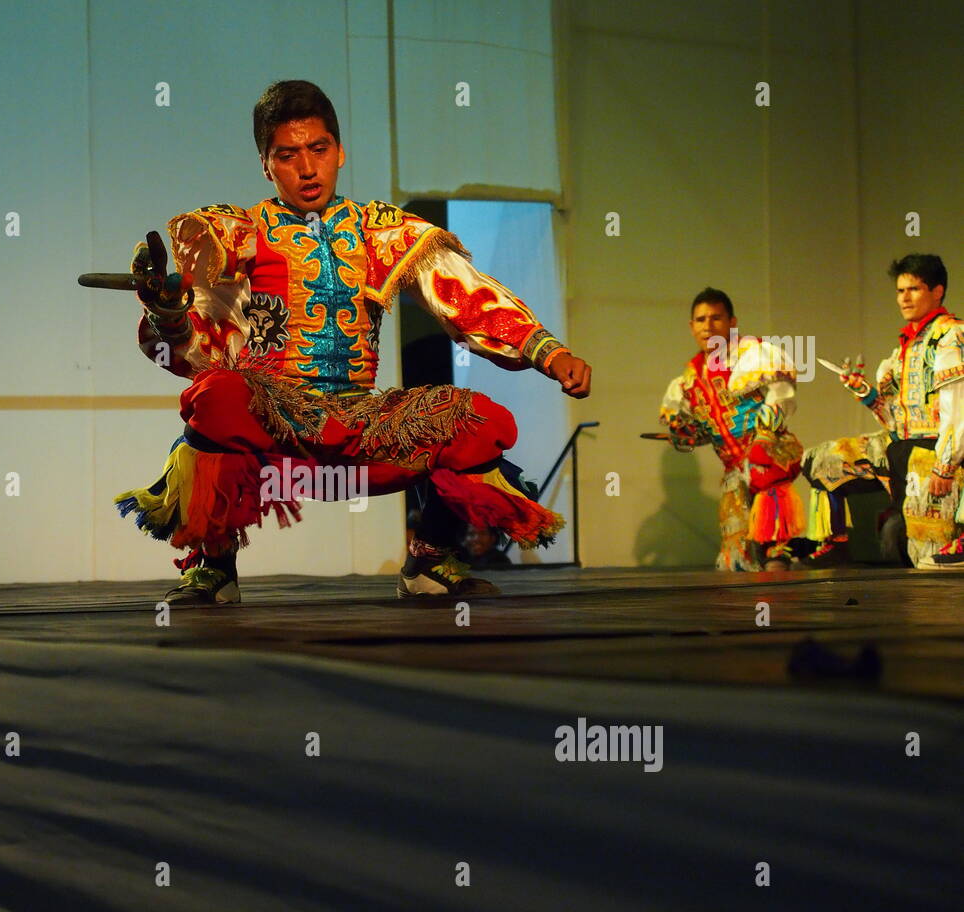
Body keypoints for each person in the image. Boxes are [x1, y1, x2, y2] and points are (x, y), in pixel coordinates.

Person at [115, 80, 592, 603]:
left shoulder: (381, 231)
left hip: (364, 424)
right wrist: (164, 306)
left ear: (339, 151)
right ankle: (214, 566)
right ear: (266, 165)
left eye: (318, 149)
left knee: (477, 421)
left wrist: (548, 352)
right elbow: (195, 349)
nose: (306, 167)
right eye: (287, 155)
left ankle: (428, 564)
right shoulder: (237, 235)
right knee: (217, 397)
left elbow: (467, 296)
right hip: (277, 425)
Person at [800, 254, 964, 569]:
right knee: (820, 460)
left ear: (937, 291)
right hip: (900, 443)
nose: (904, 297)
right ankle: (834, 543)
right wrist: (864, 392)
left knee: (925, 561)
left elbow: (957, 408)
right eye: (900, 290)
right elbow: (893, 417)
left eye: (913, 289)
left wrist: (945, 465)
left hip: (934, 449)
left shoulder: (950, 336)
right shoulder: (904, 348)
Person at [657, 288, 805, 571]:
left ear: (732, 323)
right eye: (701, 320)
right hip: (733, 473)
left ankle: (782, 595)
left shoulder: (754, 355)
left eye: (716, 318)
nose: (708, 326)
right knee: (737, 556)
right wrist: (682, 435)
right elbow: (699, 433)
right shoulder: (687, 382)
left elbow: (782, 395)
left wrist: (763, 440)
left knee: (773, 546)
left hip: (767, 459)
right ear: (691, 327)